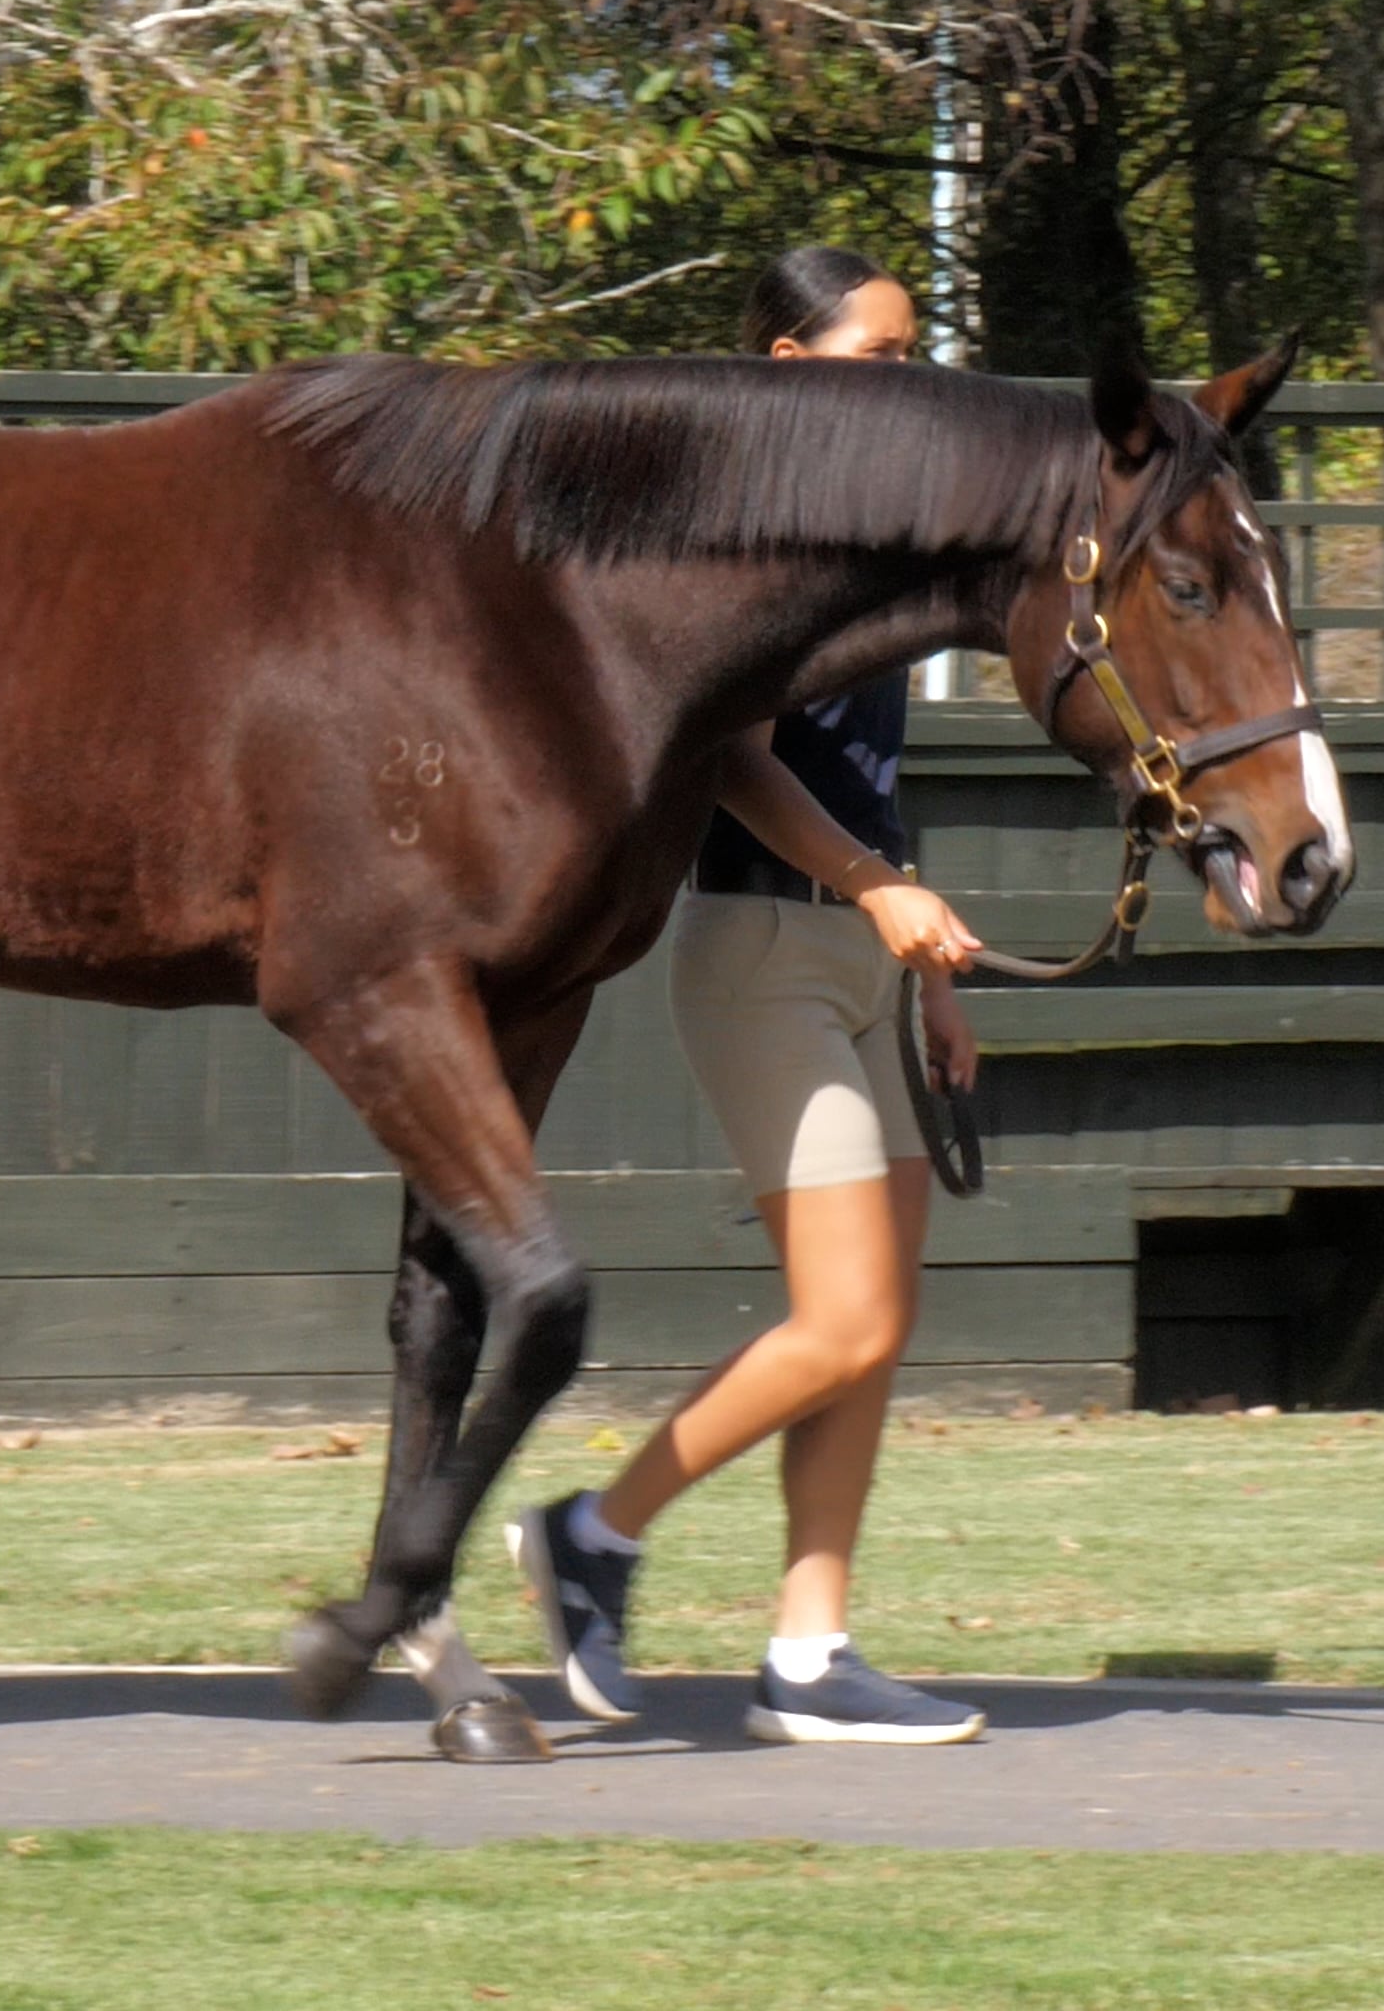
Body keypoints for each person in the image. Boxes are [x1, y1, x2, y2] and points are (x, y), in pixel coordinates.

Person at [507, 246, 993, 1745]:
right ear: (788, 365)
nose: (906, 384)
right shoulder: (747, 532)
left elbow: (865, 774)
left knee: (878, 1320)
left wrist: (919, 962)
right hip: (764, 945)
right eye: (878, 356)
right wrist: (869, 887)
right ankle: (596, 1529)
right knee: (844, 1318)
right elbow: (735, 756)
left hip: (854, 948)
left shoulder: (865, 531)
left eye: (916, 359)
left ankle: (810, 1651)